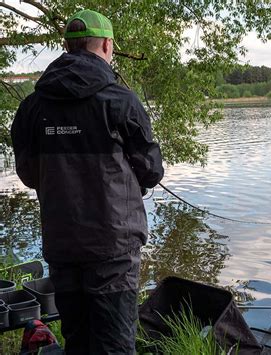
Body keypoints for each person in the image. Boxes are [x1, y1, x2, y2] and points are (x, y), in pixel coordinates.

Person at [11, 9, 164, 354]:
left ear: (67, 46)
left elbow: (27, 174)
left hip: (62, 244)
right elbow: (152, 171)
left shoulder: (32, 107)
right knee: (115, 345)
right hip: (114, 248)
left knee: (77, 341)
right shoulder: (121, 101)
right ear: (107, 45)